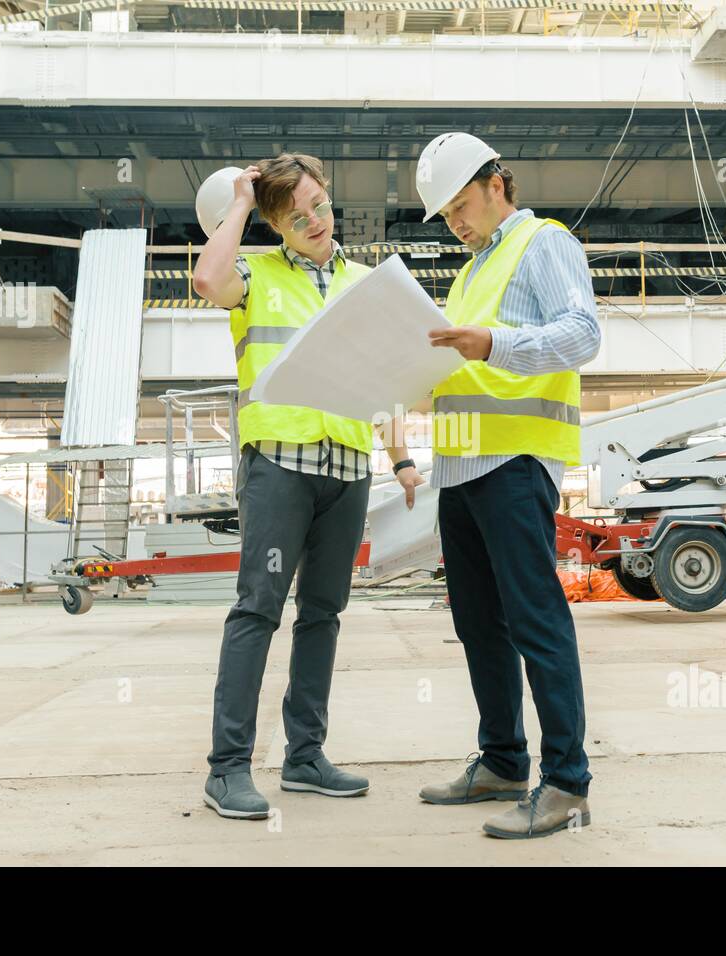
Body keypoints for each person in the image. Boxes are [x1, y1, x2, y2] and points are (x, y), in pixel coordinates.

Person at [192, 154, 422, 820]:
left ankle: (304, 758)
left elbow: (388, 380)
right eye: (298, 217)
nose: (317, 221)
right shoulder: (252, 275)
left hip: (347, 471)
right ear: (275, 225)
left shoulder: (362, 282)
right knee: (257, 610)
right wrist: (238, 201)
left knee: (323, 614)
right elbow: (207, 279)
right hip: (280, 469)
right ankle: (227, 768)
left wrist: (402, 459)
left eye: (320, 205)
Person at [413, 133, 600, 839]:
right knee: (477, 626)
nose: (456, 223)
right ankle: (501, 760)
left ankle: (568, 784)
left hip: (516, 462)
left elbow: (582, 334)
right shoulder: (470, 273)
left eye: (462, 205)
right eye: (447, 215)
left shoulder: (543, 244)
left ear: (497, 183)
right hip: (461, 468)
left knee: (534, 620)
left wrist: (492, 344)